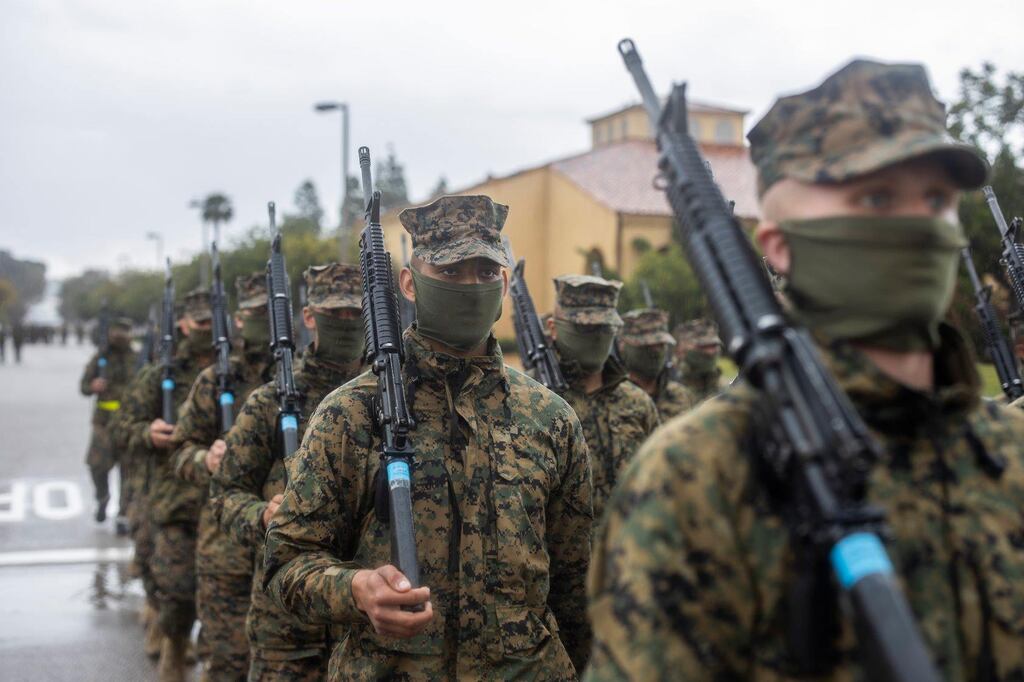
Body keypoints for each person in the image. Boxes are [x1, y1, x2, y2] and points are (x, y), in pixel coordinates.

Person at [586, 58, 1024, 681]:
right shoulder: (699, 476)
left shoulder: (1009, 452)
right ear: (780, 246)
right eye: (875, 197)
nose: (919, 223)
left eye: (935, 197)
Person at [263, 195, 594, 680]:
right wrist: (355, 589)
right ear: (409, 283)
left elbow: (574, 583)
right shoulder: (351, 413)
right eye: (451, 271)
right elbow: (286, 563)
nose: (470, 285)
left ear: (504, 283)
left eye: (485, 272)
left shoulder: (551, 419)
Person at [211, 263, 367, 681]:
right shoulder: (271, 402)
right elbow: (224, 495)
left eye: (357, 313)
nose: (348, 323)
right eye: (337, 314)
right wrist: (262, 515)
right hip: (287, 624)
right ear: (311, 316)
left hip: (370, 623)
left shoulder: (391, 399)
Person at [169, 274, 274, 682]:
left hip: (288, 555)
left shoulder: (305, 379)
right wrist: (205, 458)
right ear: (240, 320)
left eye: (271, 312)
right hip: (225, 547)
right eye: (256, 313)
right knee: (229, 663)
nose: (264, 320)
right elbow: (181, 451)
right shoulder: (217, 379)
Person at [118, 289, 213, 682]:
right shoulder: (162, 376)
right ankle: (174, 643)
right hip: (176, 500)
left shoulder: (240, 371)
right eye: (200, 323)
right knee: (175, 588)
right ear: (184, 325)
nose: (206, 330)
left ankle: (211, 658)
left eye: (212, 322)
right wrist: (147, 432)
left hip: (226, 501)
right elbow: (122, 427)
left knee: (224, 595)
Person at [545, 274, 659, 527]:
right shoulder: (533, 403)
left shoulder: (637, 402)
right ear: (554, 329)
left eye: (604, 328)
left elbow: (663, 483)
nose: (595, 337)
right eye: (584, 328)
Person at [78, 317, 137, 526]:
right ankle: (102, 497)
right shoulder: (100, 357)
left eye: (124, 331)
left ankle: (123, 513)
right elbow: (83, 387)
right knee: (97, 466)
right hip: (103, 423)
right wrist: (93, 385)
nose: (119, 336)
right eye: (116, 331)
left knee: (129, 472)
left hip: (130, 423)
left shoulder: (138, 358)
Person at [620, 308, 696, 420]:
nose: (656, 352)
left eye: (661, 345)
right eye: (647, 346)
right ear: (623, 346)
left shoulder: (681, 395)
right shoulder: (613, 398)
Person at [672, 318, 723, 402]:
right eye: (703, 347)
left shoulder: (724, 387)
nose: (710, 352)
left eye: (714, 345)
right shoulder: (668, 388)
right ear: (680, 350)